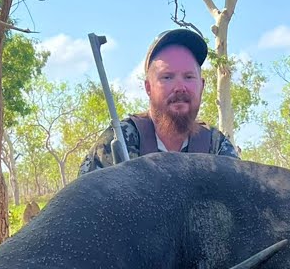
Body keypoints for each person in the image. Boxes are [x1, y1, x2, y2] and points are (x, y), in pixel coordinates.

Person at [79, 29, 240, 174]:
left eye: (189, 77)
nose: (180, 87)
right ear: (148, 87)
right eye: (167, 77)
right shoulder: (120, 141)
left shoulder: (217, 148)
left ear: (202, 86)